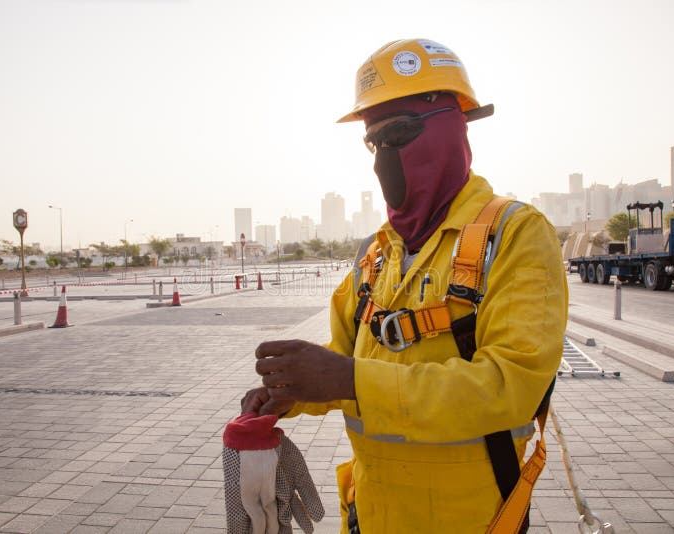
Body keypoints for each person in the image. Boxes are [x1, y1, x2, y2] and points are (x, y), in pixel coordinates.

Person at [241, 38, 568, 533]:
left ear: (451, 128)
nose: (383, 158)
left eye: (399, 135)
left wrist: (347, 378)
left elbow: (510, 386)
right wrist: (292, 392)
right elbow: (348, 358)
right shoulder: (378, 252)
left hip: (474, 522)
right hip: (371, 517)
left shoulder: (516, 234)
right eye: (374, 142)